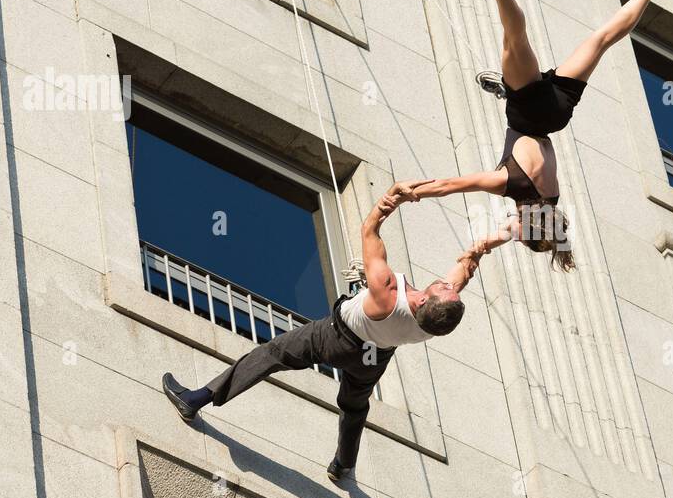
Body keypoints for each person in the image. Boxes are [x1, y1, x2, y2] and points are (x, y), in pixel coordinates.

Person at [161, 181, 516, 482]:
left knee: (271, 355)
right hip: (374, 358)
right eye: (449, 289)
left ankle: (195, 400)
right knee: (353, 406)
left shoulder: (386, 289)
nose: (445, 283)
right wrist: (503, 235)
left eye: (443, 288)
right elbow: (467, 265)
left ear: (425, 301)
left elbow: (369, 231)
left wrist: (389, 200)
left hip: (336, 337)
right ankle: (344, 463)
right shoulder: (435, 321)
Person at [398, 0, 673, 271]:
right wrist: (412, 192)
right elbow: (452, 185)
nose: (513, 227)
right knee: (514, 42)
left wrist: (482, 248)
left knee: (602, 39)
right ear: (527, 223)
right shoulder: (512, 184)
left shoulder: (550, 202)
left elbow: (514, 232)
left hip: (557, 112)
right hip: (529, 111)